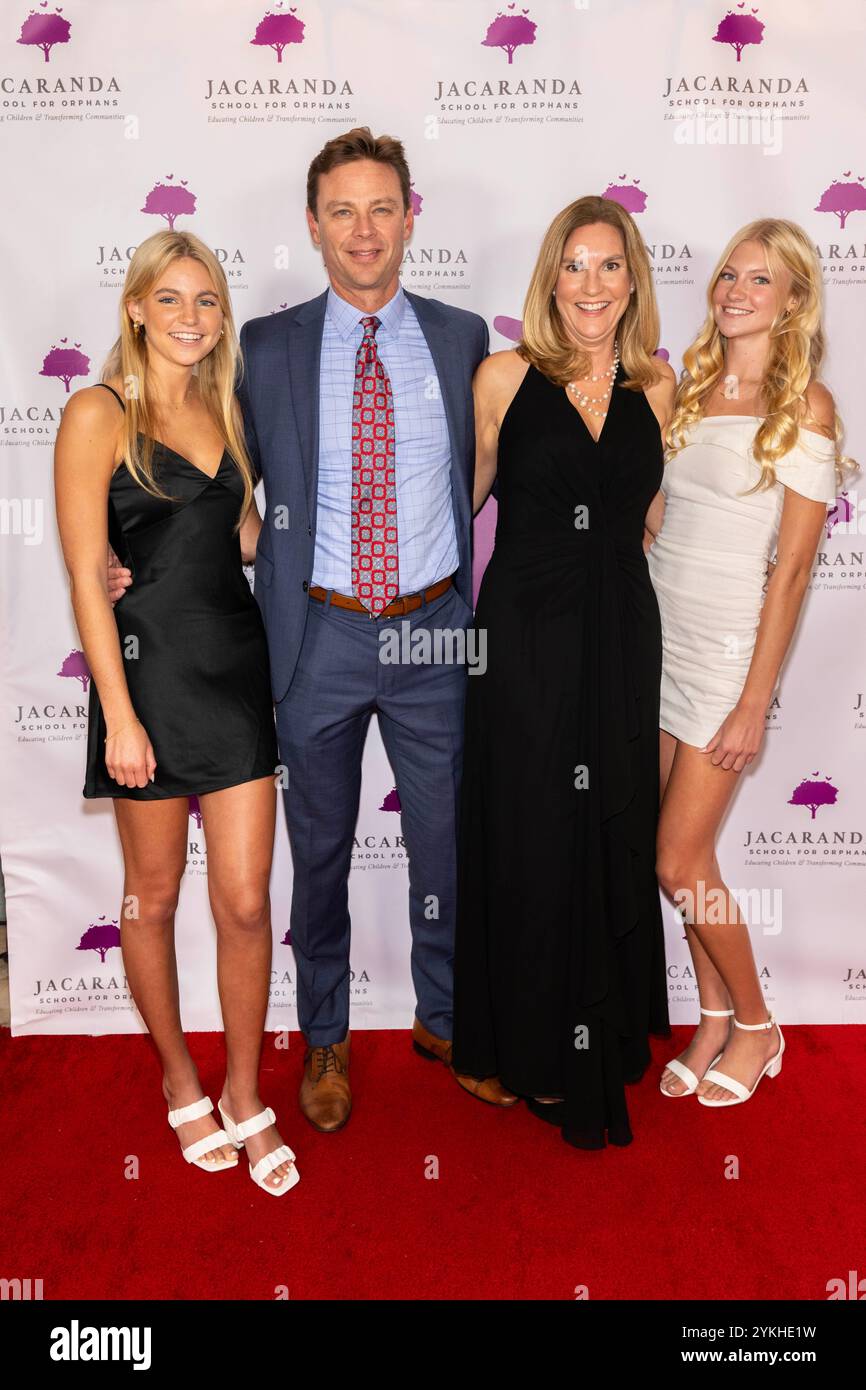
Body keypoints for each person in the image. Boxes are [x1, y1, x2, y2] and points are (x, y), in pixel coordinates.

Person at [191, 126, 511, 1130]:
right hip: (318, 634)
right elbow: (218, 474)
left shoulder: (462, 338)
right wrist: (144, 551)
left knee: (446, 844)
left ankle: (446, 1017)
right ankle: (324, 1033)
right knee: (319, 850)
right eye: (343, 211)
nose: (363, 230)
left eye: (381, 208)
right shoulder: (267, 346)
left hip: (434, 632)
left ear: (411, 217)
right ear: (312, 223)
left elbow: (486, 466)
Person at [55, 230, 298, 1195]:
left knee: (246, 902)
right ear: (136, 308)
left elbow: (240, 538)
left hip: (233, 671)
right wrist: (119, 716)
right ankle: (179, 1079)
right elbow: (87, 574)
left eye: (206, 301)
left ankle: (243, 1091)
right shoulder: (97, 411)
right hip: (145, 680)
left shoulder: (226, 409)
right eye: (171, 299)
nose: (190, 317)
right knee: (150, 898)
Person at [451, 196, 677, 1149]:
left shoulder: (657, 386)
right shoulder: (502, 377)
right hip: (524, 644)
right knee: (533, 832)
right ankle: (534, 1046)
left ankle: (604, 1034)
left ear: (633, 280)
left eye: (609, 265)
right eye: (574, 265)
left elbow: (653, 519)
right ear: (550, 280)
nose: (592, 284)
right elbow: (456, 507)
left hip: (620, 634)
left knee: (612, 823)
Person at [646, 218, 858, 1106]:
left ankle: (760, 1024)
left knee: (677, 862)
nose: (736, 291)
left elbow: (795, 571)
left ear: (795, 298)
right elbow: (662, 518)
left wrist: (752, 703)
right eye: (730, 274)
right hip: (656, 642)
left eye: (760, 279)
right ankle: (712, 1019)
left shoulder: (804, 406)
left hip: (726, 660)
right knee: (681, 859)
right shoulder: (689, 388)